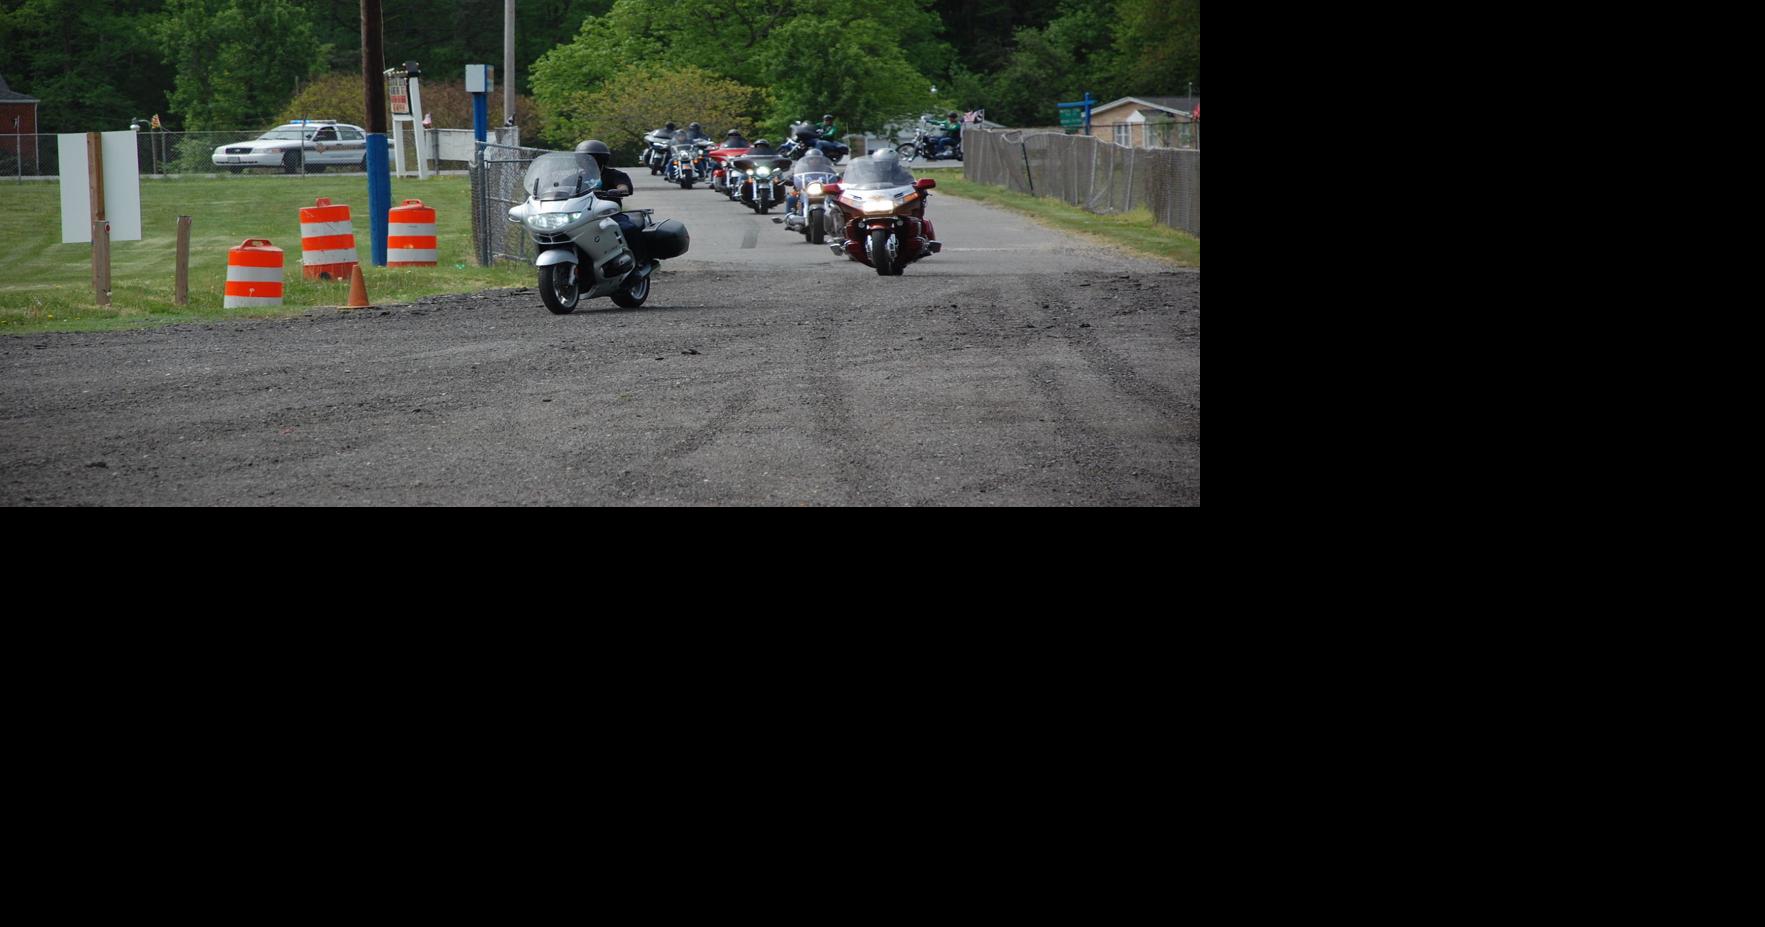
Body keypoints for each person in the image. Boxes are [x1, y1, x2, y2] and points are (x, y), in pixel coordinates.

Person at [575, 139, 639, 237]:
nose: (586, 161)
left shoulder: (615, 175)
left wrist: (618, 191)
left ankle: (633, 252)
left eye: (592, 158)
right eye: (583, 158)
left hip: (608, 214)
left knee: (628, 229)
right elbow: (559, 189)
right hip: (580, 215)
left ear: (602, 159)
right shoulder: (575, 177)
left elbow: (623, 187)